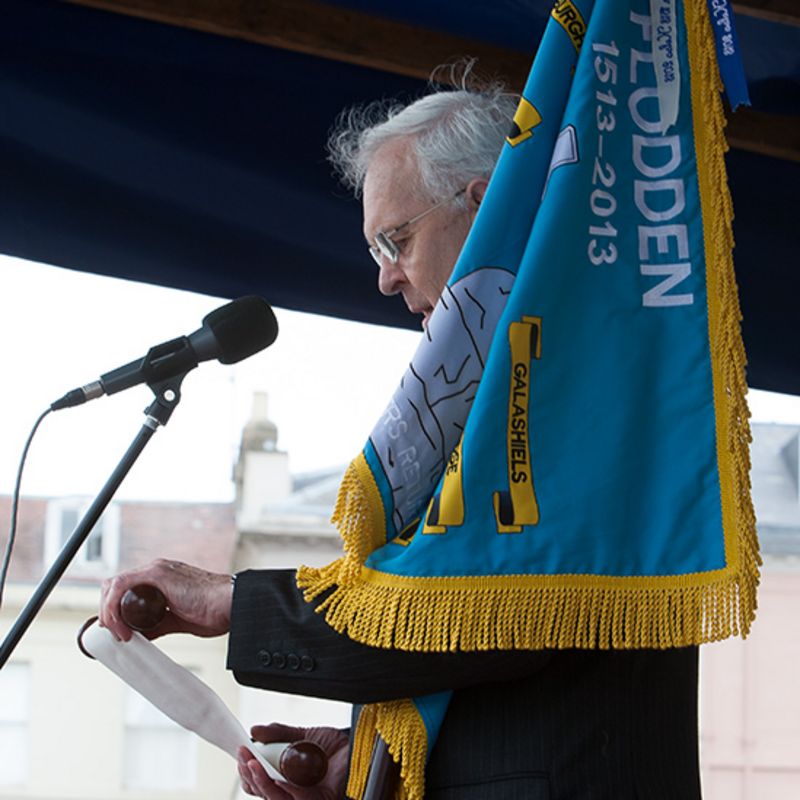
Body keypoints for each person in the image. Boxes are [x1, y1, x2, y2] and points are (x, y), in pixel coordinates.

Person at [98, 79, 702, 800]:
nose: (384, 279)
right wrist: (373, 755)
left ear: (487, 210)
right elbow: (479, 646)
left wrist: (237, 602)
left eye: (397, 239)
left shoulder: (579, 379)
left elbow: (484, 604)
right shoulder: (500, 387)